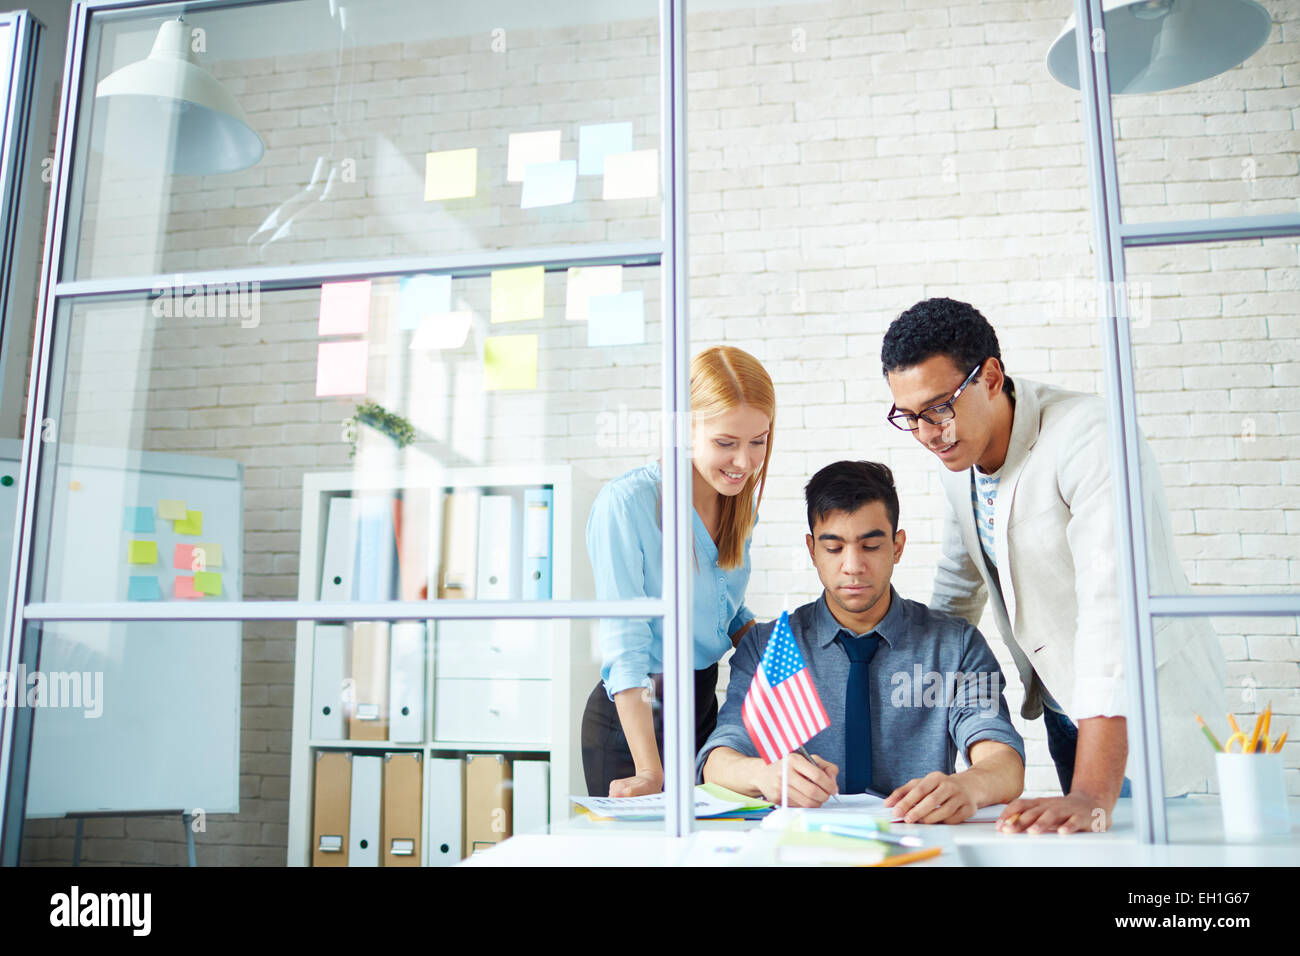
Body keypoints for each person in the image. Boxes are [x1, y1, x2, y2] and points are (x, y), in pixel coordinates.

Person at [880, 297, 1226, 835]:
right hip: (1066, 711)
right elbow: (957, 586)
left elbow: (1113, 612)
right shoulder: (959, 459)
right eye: (911, 416)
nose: (927, 433)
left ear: (990, 376)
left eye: (939, 407)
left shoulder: (1090, 436)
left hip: (1145, 714)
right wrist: (907, 688)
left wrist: (1090, 790)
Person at [699, 460, 1025, 822]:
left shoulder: (955, 645)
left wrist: (970, 786)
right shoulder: (769, 645)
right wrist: (762, 774)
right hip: (802, 844)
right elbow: (717, 761)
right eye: (834, 548)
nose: (853, 566)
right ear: (812, 550)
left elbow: (1004, 759)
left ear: (897, 546)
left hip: (918, 840)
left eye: (870, 546)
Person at [581, 345, 773, 797]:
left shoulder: (737, 506)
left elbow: (721, 606)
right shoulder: (627, 504)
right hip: (634, 723)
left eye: (758, 441)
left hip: (702, 706)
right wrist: (650, 770)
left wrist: (770, 643)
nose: (744, 462)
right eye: (726, 443)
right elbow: (625, 645)